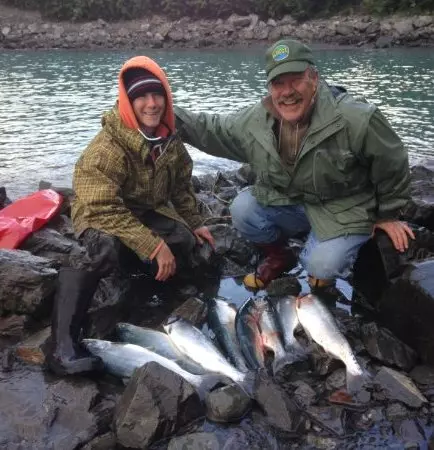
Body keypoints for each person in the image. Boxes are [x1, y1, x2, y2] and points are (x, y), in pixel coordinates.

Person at [174, 39, 414, 293]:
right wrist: (164, 114)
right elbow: (213, 129)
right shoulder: (256, 120)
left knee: (320, 267)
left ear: (314, 79)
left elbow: (393, 161)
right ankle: (280, 256)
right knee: (243, 209)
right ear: (270, 87)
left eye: (295, 80)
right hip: (291, 201)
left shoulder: (356, 118)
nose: (287, 92)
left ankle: (324, 255)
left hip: (342, 207)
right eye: (278, 83)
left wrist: (388, 214)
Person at [47, 56, 215, 375]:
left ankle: (144, 283)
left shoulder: (169, 138)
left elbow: (181, 186)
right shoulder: (106, 148)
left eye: (157, 95)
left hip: (144, 210)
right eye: (141, 97)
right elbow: (102, 206)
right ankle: (61, 346)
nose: (151, 104)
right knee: (105, 249)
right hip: (101, 214)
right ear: (128, 102)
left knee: (182, 240)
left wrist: (195, 223)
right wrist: (152, 245)